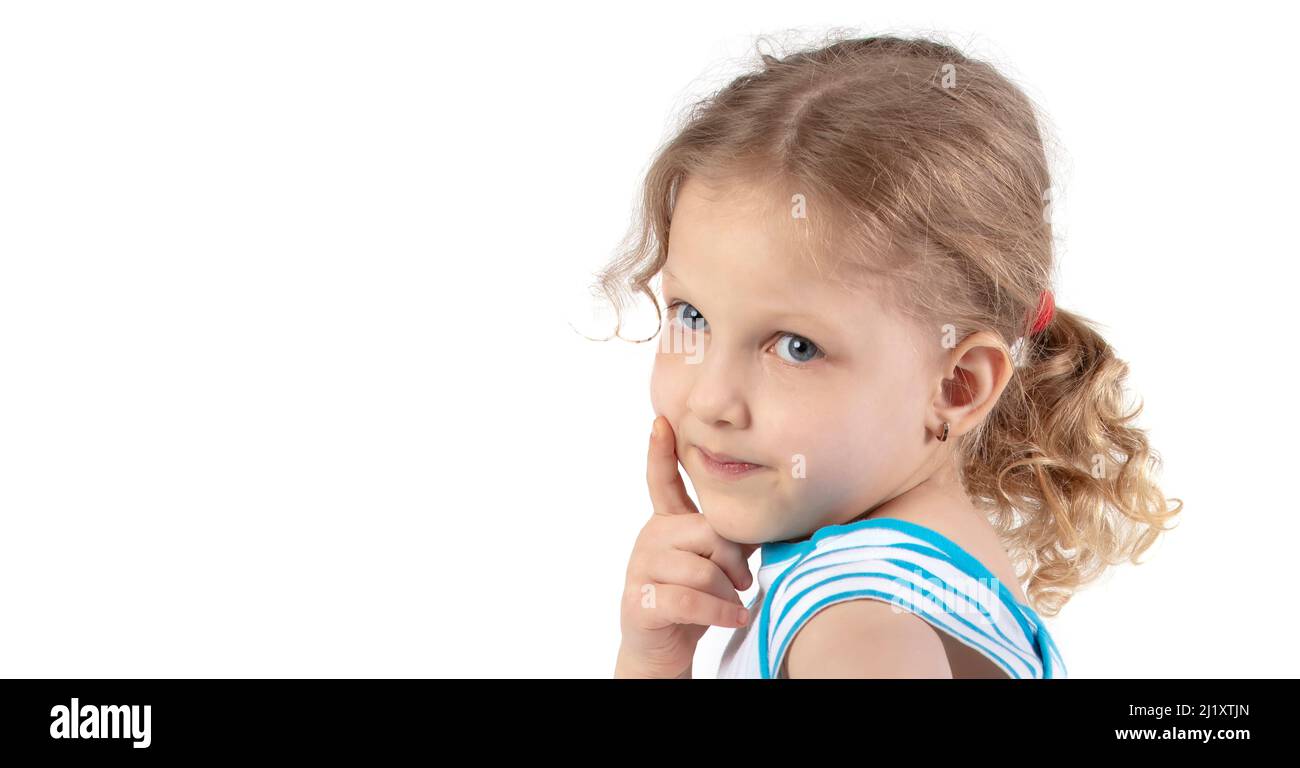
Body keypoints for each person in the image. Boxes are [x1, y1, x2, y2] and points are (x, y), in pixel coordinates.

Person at [605, 33, 1182, 679]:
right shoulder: (912, 575)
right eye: (693, 317)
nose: (711, 400)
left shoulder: (855, 626)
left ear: (958, 386)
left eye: (796, 348)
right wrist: (656, 659)